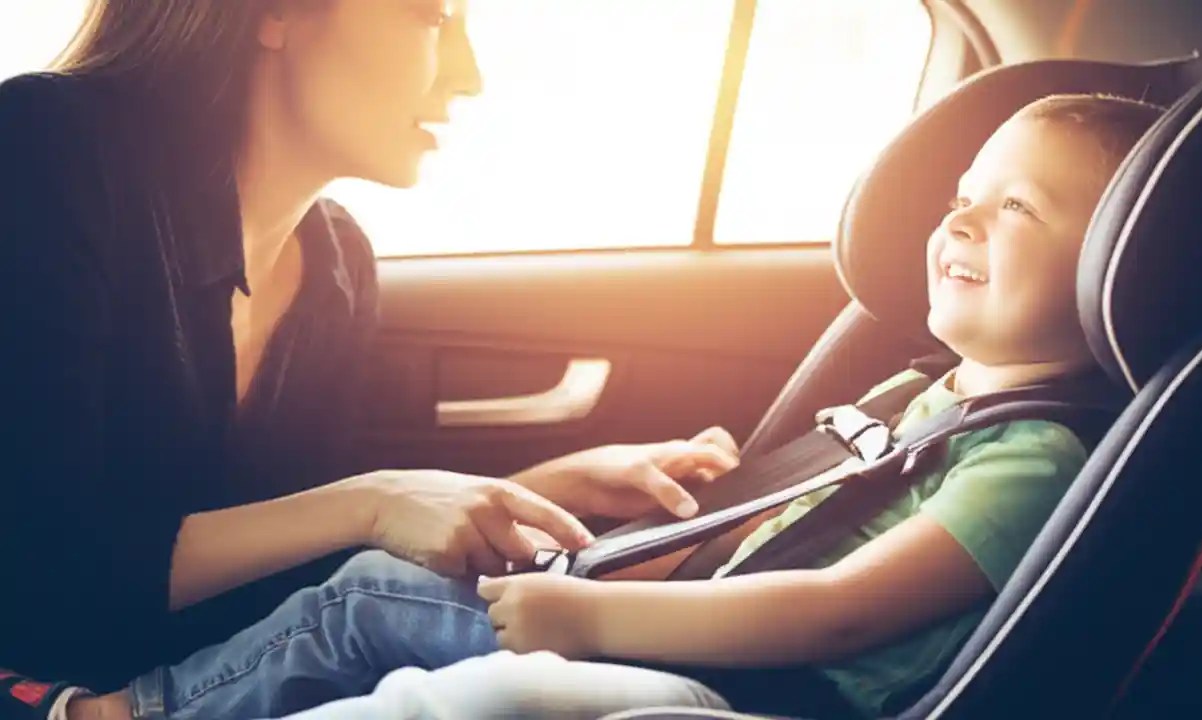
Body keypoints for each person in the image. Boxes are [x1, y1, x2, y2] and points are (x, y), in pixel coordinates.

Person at [39, 93, 1167, 720]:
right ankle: (142, 710)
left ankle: (128, 715)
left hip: (768, 688)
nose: (958, 223)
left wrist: (591, 616)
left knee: (419, 655)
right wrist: (636, 539)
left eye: (1013, 208)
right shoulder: (916, 392)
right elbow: (775, 540)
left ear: (1118, 265)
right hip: (702, 637)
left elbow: (834, 612)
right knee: (379, 596)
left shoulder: (1036, 459)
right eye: (961, 197)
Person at [0, 0, 742, 715]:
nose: (468, 76)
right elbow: (37, 574)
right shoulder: (50, 148)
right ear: (276, 11)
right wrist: (371, 504)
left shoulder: (335, 265)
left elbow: (288, 558)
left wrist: (539, 492)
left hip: (197, 668)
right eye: (432, 17)